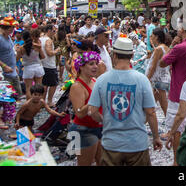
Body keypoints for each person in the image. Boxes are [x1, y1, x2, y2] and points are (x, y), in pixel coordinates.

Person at [87, 37, 163, 166]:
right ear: (132, 55)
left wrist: (104, 120)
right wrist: (156, 137)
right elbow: (151, 112)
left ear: (114, 55)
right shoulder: (142, 80)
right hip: (137, 144)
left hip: (111, 144)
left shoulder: (101, 80)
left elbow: (92, 110)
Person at [68, 51, 103, 166]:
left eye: (96, 63)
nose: (95, 66)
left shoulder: (94, 81)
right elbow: (79, 114)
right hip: (83, 130)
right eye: (91, 64)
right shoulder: (77, 86)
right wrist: (95, 98)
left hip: (98, 127)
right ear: (81, 67)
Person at [146, 28, 171, 117]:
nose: (150, 37)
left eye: (152, 35)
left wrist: (147, 78)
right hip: (162, 79)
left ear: (156, 37)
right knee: (151, 103)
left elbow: (153, 66)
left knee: (163, 104)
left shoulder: (158, 49)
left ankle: (170, 126)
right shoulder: (166, 48)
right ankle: (144, 122)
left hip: (158, 80)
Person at [16, 29, 45, 100]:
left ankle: (29, 104)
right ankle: (39, 103)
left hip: (28, 68)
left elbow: (16, 59)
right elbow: (43, 56)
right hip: (38, 67)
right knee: (39, 87)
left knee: (28, 88)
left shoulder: (21, 48)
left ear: (23, 38)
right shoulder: (37, 46)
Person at [0, 16, 23, 96]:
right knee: (7, 97)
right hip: (5, 74)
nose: (13, 30)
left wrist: (14, 66)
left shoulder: (9, 37)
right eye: (11, 28)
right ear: (6, 28)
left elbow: (10, 51)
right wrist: (4, 66)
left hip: (13, 71)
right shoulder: (0, 38)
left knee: (18, 94)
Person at [40, 24, 61, 107]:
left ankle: (43, 101)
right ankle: (49, 101)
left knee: (45, 84)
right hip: (49, 65)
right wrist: (56, 50)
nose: (55, 32)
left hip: (43, 64)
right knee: (53, 84)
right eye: (54, 30)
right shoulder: (48, 40)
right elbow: (49, 53)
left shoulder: (40, 39)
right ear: (49, 31)